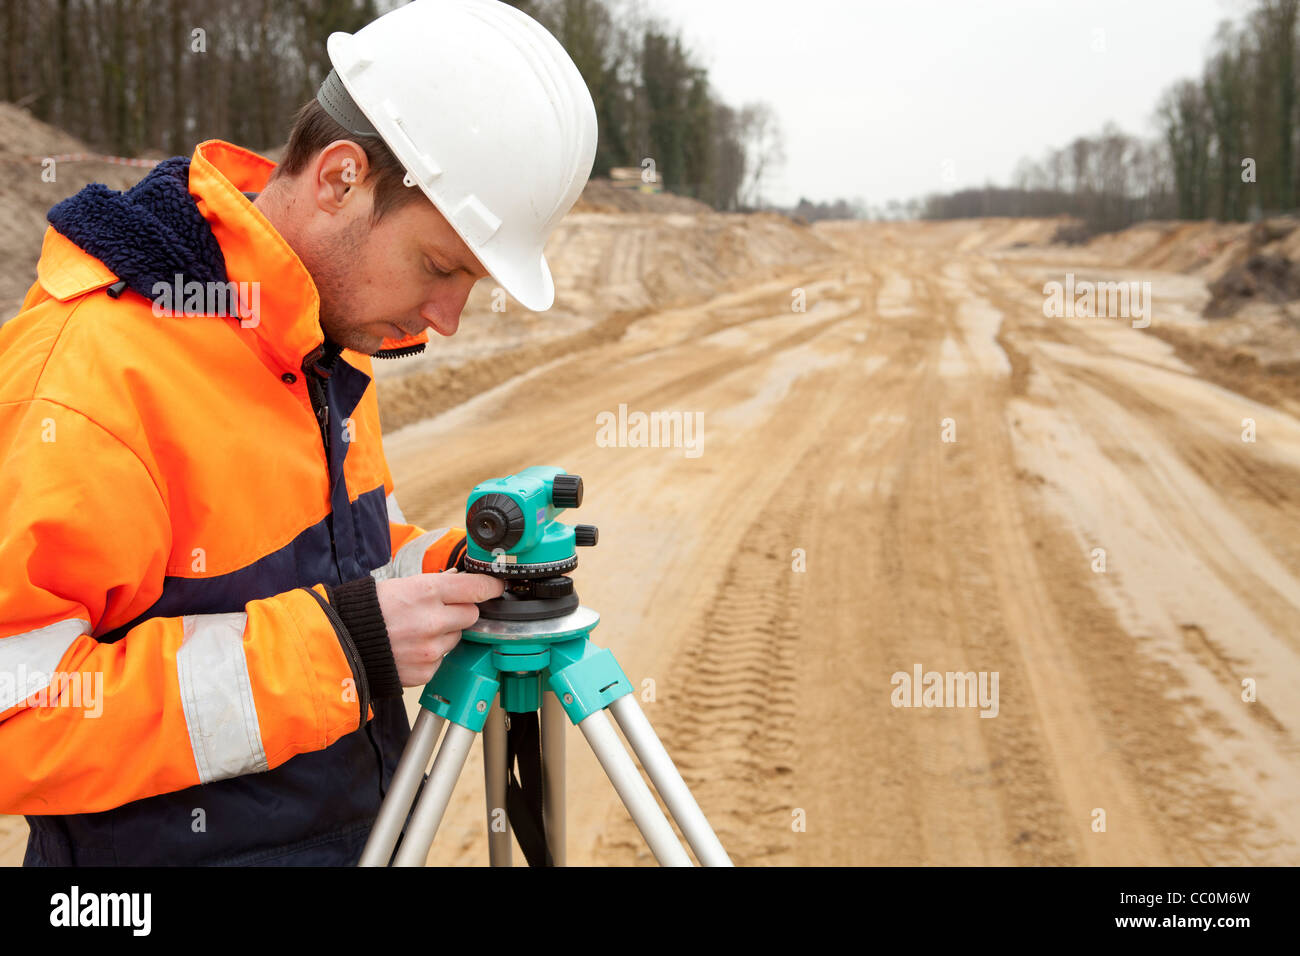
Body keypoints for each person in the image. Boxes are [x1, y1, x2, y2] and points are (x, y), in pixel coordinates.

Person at [0, 0, 597, 865]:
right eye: (440, 266)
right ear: (340, 178)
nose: (449, 318)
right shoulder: (87, 377)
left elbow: (332, 571)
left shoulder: (320, 337)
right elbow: (19, 713)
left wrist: (442, 575)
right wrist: (342, 650)